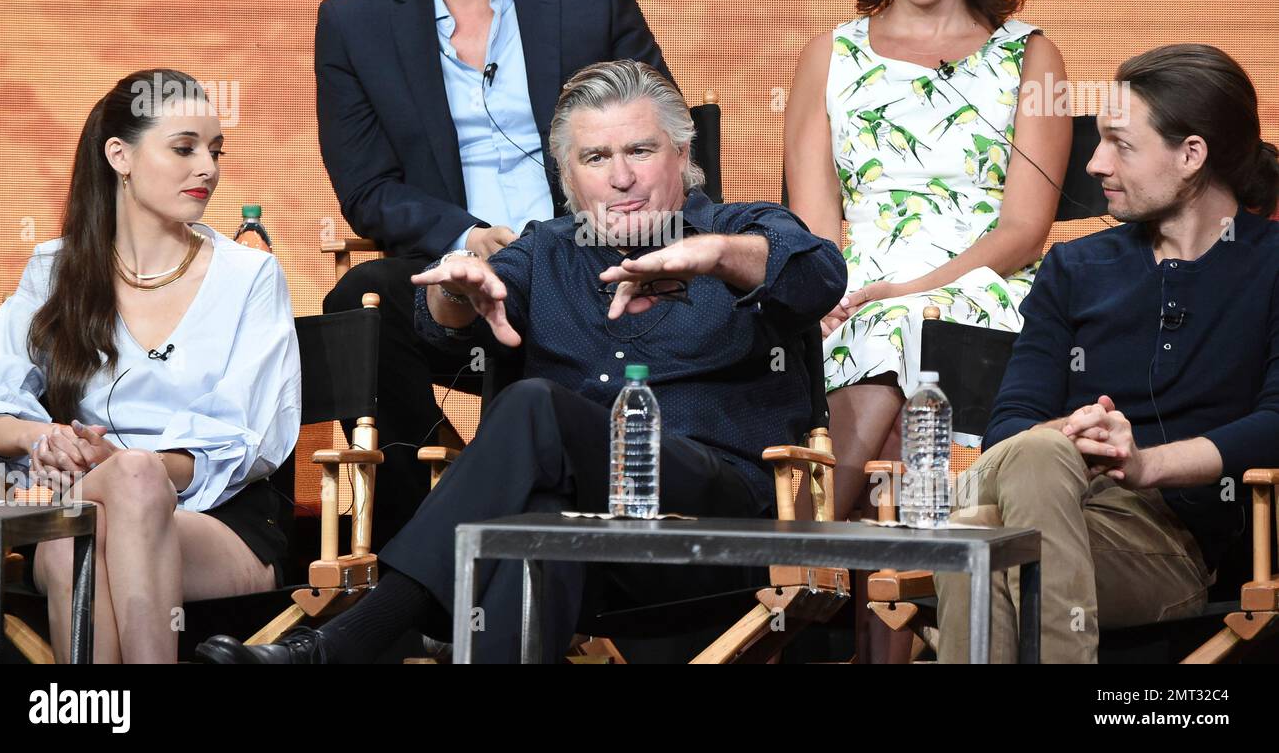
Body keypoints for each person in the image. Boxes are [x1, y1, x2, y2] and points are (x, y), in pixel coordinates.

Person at [197, 60, 849, 663]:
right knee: (539, 520)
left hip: (713, 528)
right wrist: (460, 290)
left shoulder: (744, 226)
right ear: (568, 176)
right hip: (584, 543)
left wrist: (710, 255)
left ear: (681, 154)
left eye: (640, 150)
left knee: (535, 406)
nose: (620, 176)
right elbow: (451, 318)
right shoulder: (546, 250)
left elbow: (819, 272)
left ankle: (342, 643)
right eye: (596, 157)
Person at [317, 0, 673, 545]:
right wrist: (468, 236)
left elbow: (664, 131)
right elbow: (367, 189)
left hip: (593, 257)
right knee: (359, 303)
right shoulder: (352, 22)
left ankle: (530, 530)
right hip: (458, 271)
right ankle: (430, 543)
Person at [933, 44, 1279, 662]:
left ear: (1191, 155)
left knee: (976, 541)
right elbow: (1008, 426)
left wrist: (1144, 464)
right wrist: (1080, 436)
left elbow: (1276, 425)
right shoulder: (1076, 267)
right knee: (995, 509)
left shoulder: (1271, 265)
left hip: (1169, 544)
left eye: (1120, 143)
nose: (1094, 164)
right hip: (1055, 499)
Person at [783, 0, 1071, 521]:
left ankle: (796, 554)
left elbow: (1026, 231)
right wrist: (833, 298)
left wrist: (904, 291)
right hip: (853, 295)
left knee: (903, 330)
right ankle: (880, 595)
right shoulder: (829, 55)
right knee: (877, 343)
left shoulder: (1036, 58)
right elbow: (814, 228)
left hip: (985, 287)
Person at [0, 69, 301, 663]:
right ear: (119, 156)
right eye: (184, 149)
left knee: (100, 510)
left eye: (214, 150)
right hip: (83, 506)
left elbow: (250, 440)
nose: (208, 168)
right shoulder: (54, 270)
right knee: (82, 523)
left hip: (219, 522)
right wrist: (44, 436)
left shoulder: (249, 276)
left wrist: (133, 468)